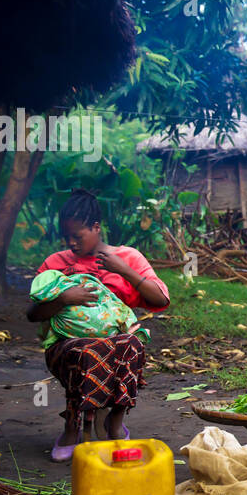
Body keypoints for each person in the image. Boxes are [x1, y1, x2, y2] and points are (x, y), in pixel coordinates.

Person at [26, 191, 170, 461]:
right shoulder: (56, 264)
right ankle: (72, 426)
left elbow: (161, 299)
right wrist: (63, 298)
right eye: (67, 237)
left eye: (77, 236)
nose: (71, 243)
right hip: (68, 345)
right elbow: (32, 314)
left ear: (96, 227)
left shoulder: (127, 257)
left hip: (116, 346)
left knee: (132, 343)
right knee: (84, 350)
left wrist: (124, 270)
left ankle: (113, 423)